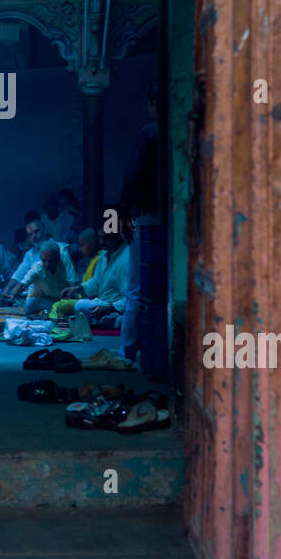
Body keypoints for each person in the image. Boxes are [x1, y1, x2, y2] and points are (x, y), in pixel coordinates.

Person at [118, 84, 160, 361]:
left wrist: (123, 213)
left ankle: (128, 350)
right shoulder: (180, 132)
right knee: (159, 291)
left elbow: (132, 177)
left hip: (147, 218)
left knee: (136, 288)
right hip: (175, 220)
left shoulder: (149, 133)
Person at [0, 216, 75, 301]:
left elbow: (72, 280)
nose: (34, 236)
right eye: (30, 235)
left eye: (36, 231)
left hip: (59, 297)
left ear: (44, 230)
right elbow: (19, 274)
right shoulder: (30, 254)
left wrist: (69, 300)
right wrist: (6, 291)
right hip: (34, 297)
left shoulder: (62, 250)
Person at [62, 232, 131, 322]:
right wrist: (77, 288)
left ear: (117, 236)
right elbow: (96, 281)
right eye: (100, 238)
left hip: (113, 307)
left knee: (80, 305)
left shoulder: (125, 259)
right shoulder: (104, 254)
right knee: (80, 306)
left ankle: (115, 319)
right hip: (102, 304)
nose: (102, 242)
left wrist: (108, 308)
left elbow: (129, 298)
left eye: (106, 238)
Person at [20, 240, 73, 315]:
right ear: (41, 257)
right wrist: (13, 294)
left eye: (50, 261)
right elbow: (23, 283)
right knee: (30, 304)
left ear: (57, 258)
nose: (47, 264)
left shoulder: (64, 261)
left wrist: (69, 297)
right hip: (40, 300)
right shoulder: (38, 267)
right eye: (44, 260)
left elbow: (73, 283)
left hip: (59, 302)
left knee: (60, 308)